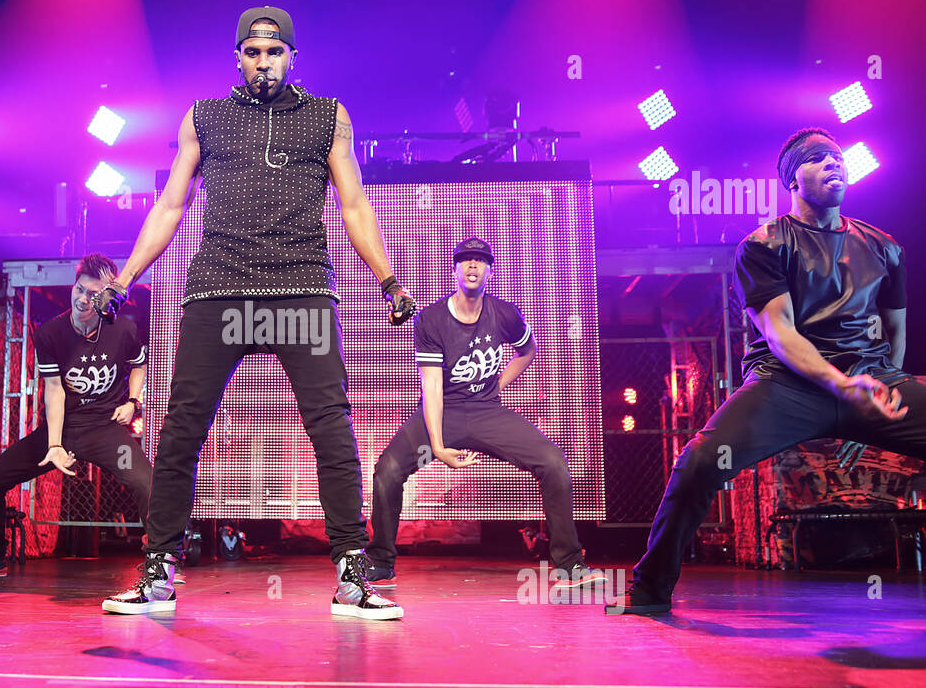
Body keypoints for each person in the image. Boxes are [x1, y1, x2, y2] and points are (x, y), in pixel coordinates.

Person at [97, 7, 416, 619]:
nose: (262, 61)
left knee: (331, 426)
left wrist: (389, 280)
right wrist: (128, 276)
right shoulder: (204, 115)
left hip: (299, 288)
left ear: (293, 55)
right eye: (251, 52)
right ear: (237, 58)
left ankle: (354, 576)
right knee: (182, 430)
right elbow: (169, 205)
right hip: (218, 288)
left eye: (273, 51)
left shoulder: (329, 116)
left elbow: (353, 204)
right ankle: (158, 575)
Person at [608, 127, 915, 615]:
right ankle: (650, 592)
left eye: (838, 157)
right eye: (819, 159)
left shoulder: (884, 247)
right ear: (793, 178)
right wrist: (841, 387)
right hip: (788, 386)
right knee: (702, 463)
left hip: (867, 379)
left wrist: (880, 393)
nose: (835, 163)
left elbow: (896, 333)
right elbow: (781, 334)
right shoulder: (764, 244)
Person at [367, 238, 606, 590]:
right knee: (386, 471)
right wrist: (437, 445)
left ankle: (568, 567)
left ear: (490, 271)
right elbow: (431, 388)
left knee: (554, 462)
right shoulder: (431, 319)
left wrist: (496, 383)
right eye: (465, 261)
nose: (473, 266)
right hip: (442, 413)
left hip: (487, 412)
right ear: (455, 270)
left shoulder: (505, 314)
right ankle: (381, 564)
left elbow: (527, 352)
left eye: (480, 261)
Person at [0, 253, 151, 577]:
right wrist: (55, 444)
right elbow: (55, 390)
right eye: (79, 289)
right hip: (62, 427)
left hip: (105, 430)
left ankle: (160, 558)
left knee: (146, 482)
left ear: (106, 296)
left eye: (92, 294)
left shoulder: (125, 331)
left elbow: (139, 366)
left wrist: (133, 401)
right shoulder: (51, 333)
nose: (82, 299)